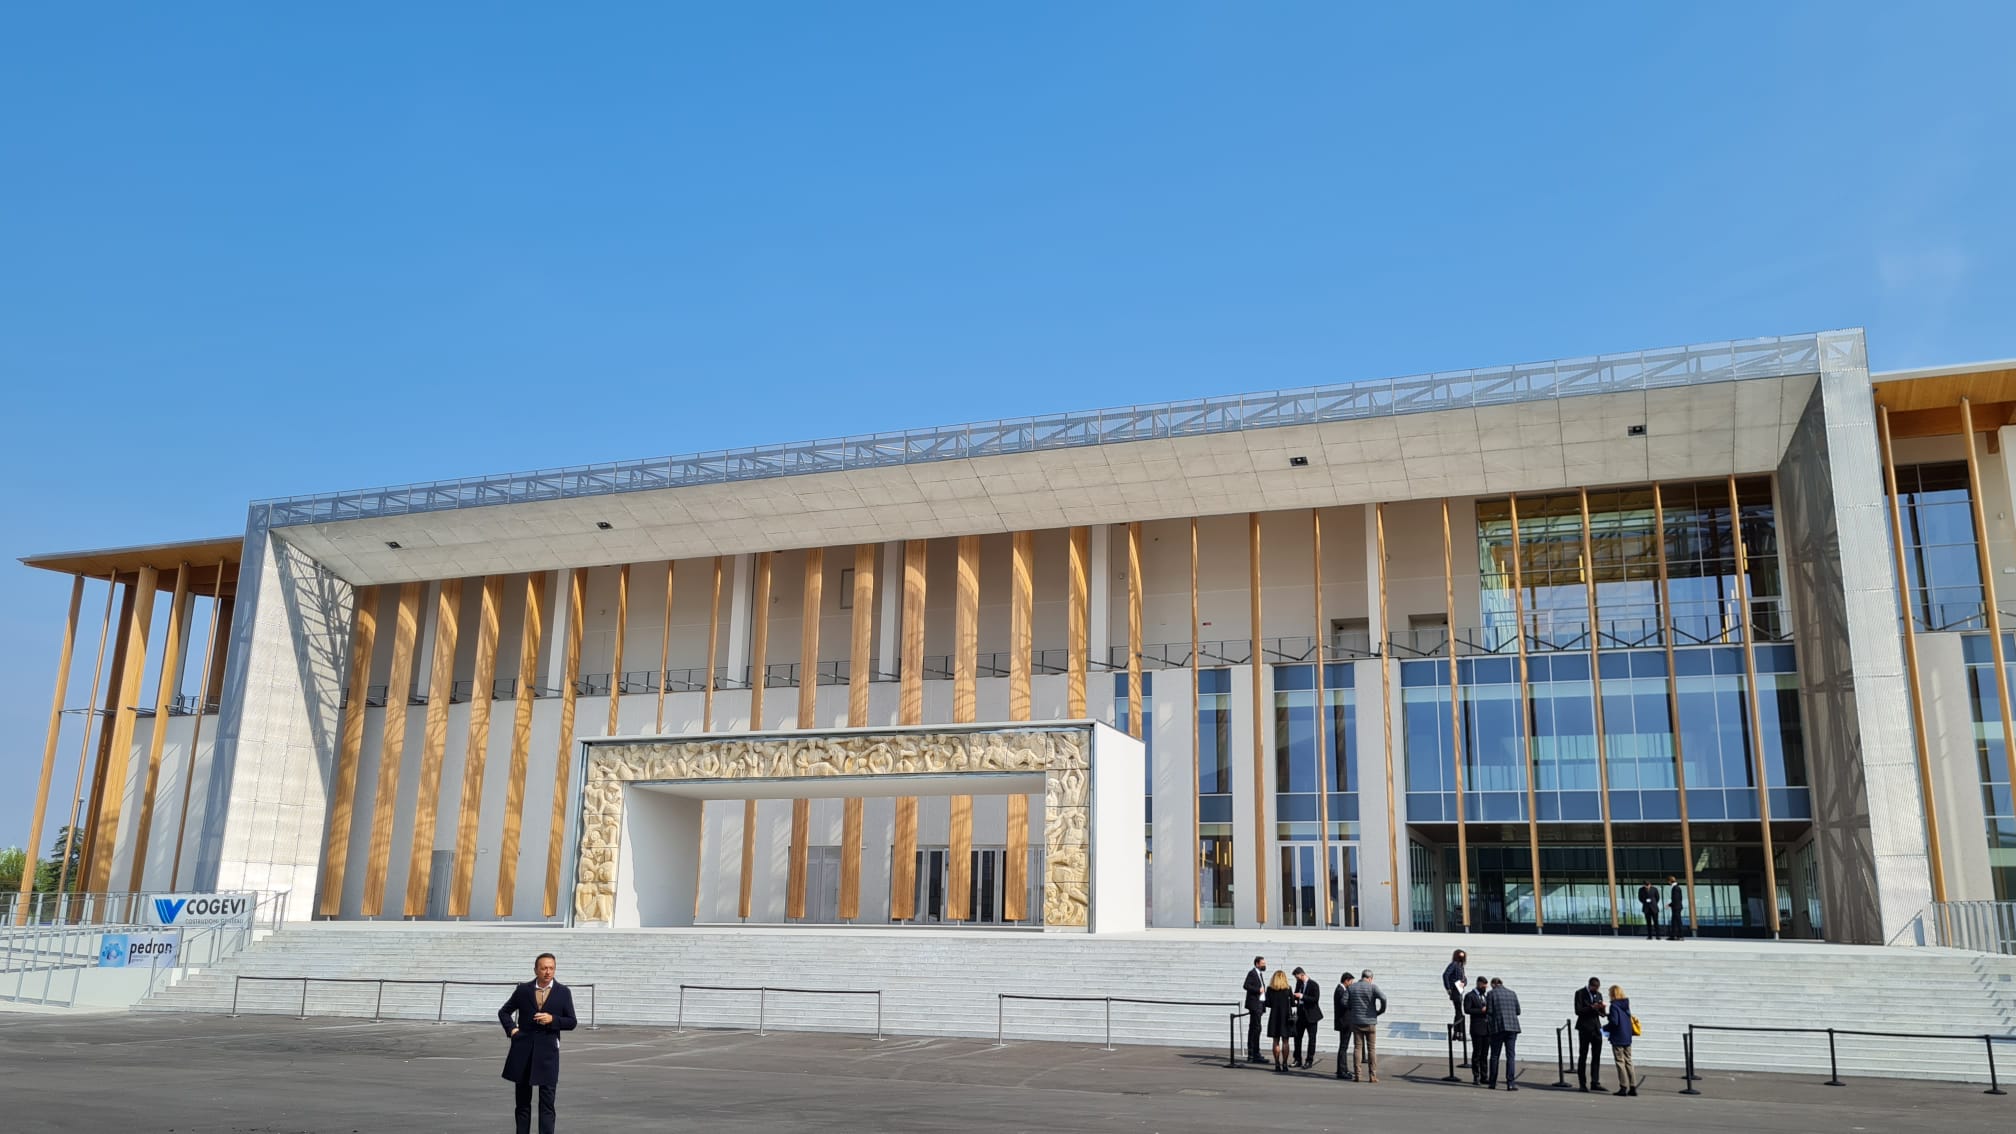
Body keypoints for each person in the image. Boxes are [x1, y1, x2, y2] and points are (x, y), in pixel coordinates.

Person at [498, 952, 577, 1134]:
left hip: (548, 1054)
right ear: (535, 970)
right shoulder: (523, 990)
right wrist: (512, 1030)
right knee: (523, 1103)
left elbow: (572, 1022)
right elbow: (504, 1012)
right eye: (544, 968)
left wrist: (553, 1019)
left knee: (547, 1104)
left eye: (551, 968)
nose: (548, 972)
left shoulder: (563, 992)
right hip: (523, 1052)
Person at [1340, 968, 1388, 1082]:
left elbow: (1343, 1001)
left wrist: (1352, 1009)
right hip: (1370, 1021)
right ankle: (1372, 1076)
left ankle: (1358, 1075)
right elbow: (1384, 998)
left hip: (1356, 1021)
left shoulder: (1352, 987)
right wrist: (1380, 1011)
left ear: (1362, 976)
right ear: (1370, 978)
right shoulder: (1373, 987)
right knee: (1371, 1049)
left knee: (1357, 1048)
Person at [1486, 977, 1522, 1090]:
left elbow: (1490, 1011)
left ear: (1493, 984)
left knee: (1495, 1055)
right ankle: (1510, 1083)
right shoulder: (1512, 993)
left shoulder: (1491, 994)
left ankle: (1492, 1082)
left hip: (1498, 1027)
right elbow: (1518, 1011)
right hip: (1513, 1027)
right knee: (1510, 1056)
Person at [1572, 977, 1606, 1092]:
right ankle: (1582, 1083)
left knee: (1596, 1056)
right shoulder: (1580, 993)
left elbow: (1602, 1014)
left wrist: (1602, 1009)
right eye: (1594, 988)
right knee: (1583, 1055)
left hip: (1596, 1028)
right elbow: (1578, 1011)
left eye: (1597, 988)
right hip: (1585, 1028)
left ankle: (1595, 1082)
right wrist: (1591, 1007)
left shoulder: (1599, 995)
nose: (1596, 990)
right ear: (1590, 985)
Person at [1606, 984, 1639, 1096]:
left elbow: (1614, 1022)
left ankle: (1623, 1087)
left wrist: (1605, 1028)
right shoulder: (1625, 1005)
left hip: (1618, 1037)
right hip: (1627, 1036)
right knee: (1629, 1061)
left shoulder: (1614, 1006)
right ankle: (1633, 1086)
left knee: (1620, 1062)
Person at [1290, 967, 1324, 1069]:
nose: (1296, 980)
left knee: (1311, 1039)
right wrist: (1294, 998)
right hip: (1300, 1015)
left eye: (1297, 977)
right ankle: (1297, 1059)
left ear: (1301, 975)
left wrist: (1302, 996)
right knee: (1297, 1038)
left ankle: (1309, 1060)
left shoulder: (1313, 984)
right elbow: (1296, 995)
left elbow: (1315, 999)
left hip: (1311, 1015)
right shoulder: (1299, 984)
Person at [1264, 969, 1296, 1072]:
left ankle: (1277, 1064)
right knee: (1285, 1041)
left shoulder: (1270, 989)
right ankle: (1285, 1064)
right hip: (1286, 1017)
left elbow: (1268, 1004)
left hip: (1275, 1017)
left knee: (1275, 1041)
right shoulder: (1288, 989)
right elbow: (1293, 1003)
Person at [1463, 977, 1492, 1085]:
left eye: (1486, 986)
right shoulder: (1470, 996)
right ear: (1479, 984)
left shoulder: (1485, 996)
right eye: (1483, 986)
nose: (1485, 988)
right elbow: (1467, 1010)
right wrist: (1481, 1011)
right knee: (1477, 1053)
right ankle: (1476, 1076)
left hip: (1487, 1028)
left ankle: (1484, 1076)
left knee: (1485, 1054)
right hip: (1477, 1028)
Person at [1242, 956, 1268, 1064]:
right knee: (1254, 1028)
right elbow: (1246, 985)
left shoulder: (1259, 974)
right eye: (1262, 963)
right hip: (1255, 1005)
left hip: (1260, 1004)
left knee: (1257, 1028)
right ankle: (1252, 1054)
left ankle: (1256, 1053)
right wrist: (1258, 990)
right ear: (1257, 964)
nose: (1264, 965)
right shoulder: (1252, 973)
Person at [1331, 972, 1356, 1080]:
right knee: (1343, 1047)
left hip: (1344, 1021)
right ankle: (1341, 1071)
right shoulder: (1341, 991)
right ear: (1346, 980)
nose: (1351, 984)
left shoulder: (1341, 990)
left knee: (1343, 1047)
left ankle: (1343, 1069)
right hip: (1344, 1022)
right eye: (1351, 981)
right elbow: (1344, 1004)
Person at [1441, 949, 1467, 1027]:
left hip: (1459, 988)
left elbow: (1464, 978)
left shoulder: (1461, 966)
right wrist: (1448, 988)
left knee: (1459, 1011)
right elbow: (1445, 975)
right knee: (1458, 1011)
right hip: (1455, 989)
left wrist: (1464, 983)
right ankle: (1457, 1030)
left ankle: (1458, 1031)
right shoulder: (1454, 964)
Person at [1667, 875, 1686, 941]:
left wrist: (1669, 904)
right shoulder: (1676, 887)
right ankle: (1674, 936)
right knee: (1675, 922)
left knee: (1677, 922)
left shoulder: (1675, 888)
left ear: (1670, 881)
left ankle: (1680, 936)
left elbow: (1676, 899)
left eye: (1668, 882)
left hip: (1676, 907)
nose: (1668, 883)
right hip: (1677, 907)